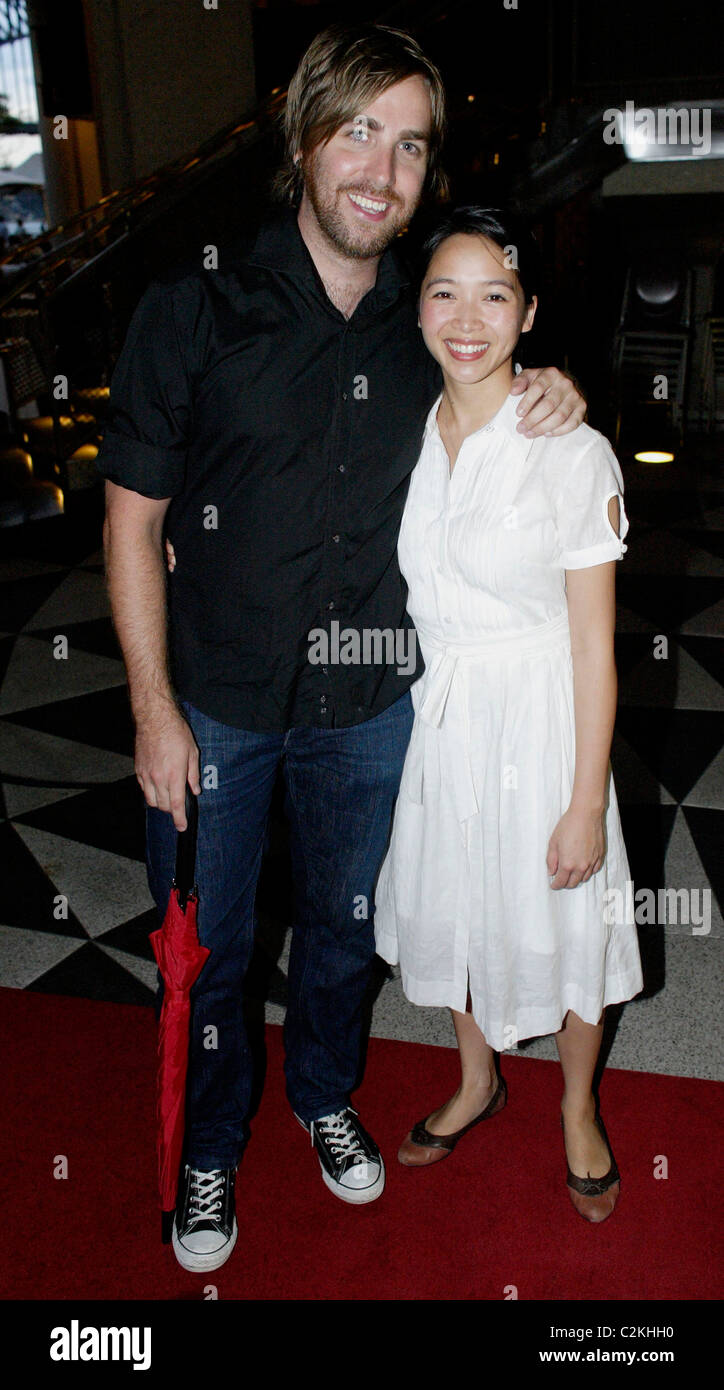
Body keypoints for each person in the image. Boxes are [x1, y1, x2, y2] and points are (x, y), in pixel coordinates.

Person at [97, 23, 586, 1273]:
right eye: (359, 129)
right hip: (215, 701)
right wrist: (154, 713)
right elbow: (132, 519)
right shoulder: (192, 300)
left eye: (410, 142)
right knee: (205, 949)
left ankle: (321, 1090)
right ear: (306, 136)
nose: (382, 167)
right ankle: (212, 1147)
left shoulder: (423, 315)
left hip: (372, 706)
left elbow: (496, 360)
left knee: (341, 932)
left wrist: (555, 387)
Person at [373, 206, 643, 1223]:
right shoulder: (413, 424)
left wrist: (582, 803)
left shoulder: (567, 447)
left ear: (527, 313)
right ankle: (477, 1076)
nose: (468, 315)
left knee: (565, 921)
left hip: (541, 719)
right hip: (445, 720)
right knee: (454, 905)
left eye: (495, 293)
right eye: (445, 290)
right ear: (419, 312)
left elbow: (591, 646)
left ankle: (577, 1103)